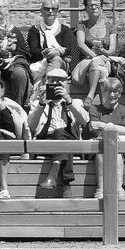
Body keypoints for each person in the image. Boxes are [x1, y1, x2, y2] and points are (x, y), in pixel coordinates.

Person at [28, 68, 92, 198]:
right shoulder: (38, 102)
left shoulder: (76, 102)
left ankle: (53, 174)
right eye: (52, 81)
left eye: (60, 81)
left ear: (66, 84)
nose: (56, 84)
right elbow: (32, 125)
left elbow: (84, 120)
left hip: (70, 140)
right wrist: (41, 104)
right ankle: (66, 185)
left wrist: (68, 100)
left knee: (61, 133)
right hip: (46, 141)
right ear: (46, 83)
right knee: (59, 134)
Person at [72, 0, 125, 106]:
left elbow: (112, 50)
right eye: (91, 5)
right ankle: (103, 105)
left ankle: (90, 97)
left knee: (100, 65)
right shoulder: (81, 25)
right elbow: (81, 44)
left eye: (97, 5)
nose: (94, 8)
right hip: (86, 61)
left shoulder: (110, 27)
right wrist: (96, 56)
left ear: (101, 8)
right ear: (86, 8)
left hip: (105, 60)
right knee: (101, 69)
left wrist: (104, 52)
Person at [26, 0, 76, 82]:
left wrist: (57, 52)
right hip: (39, 63)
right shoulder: (34, 30)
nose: (50, 12)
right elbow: (33, 51)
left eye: (54, 9)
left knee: (56, 59)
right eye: (47, 9)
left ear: (58, 11)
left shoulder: (65, 29)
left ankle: (47, 86)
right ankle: (48, 86)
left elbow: (69, 49)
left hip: (61, 64)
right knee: (54, 58)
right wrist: (47, 52)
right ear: (41, 11)